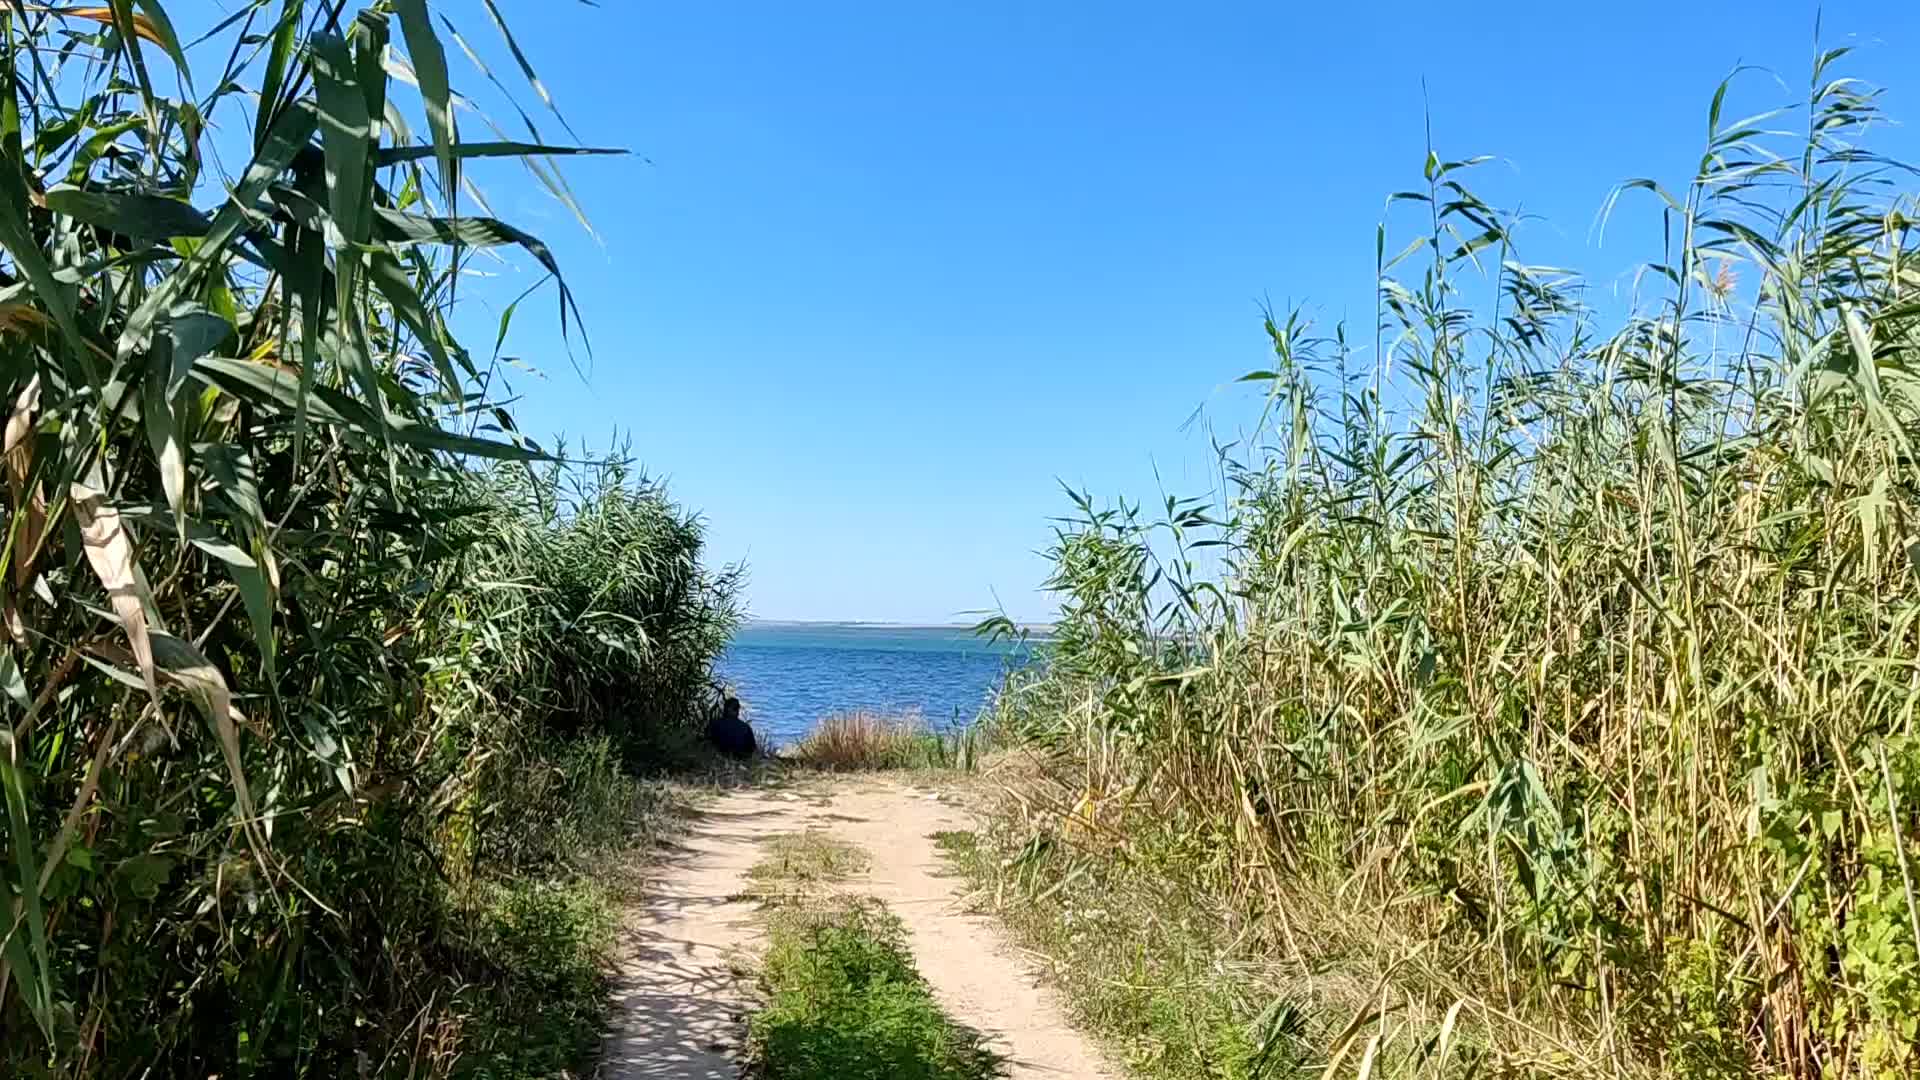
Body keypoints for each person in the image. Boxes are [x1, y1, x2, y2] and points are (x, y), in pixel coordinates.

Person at [707, 694, 756, 759]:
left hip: (720, 756)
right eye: (737, 708)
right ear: (737, 710)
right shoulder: (746, 727)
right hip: (740, 759)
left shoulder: (715, 724)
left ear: (725, 709)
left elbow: (709, 741)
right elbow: (752, 749)